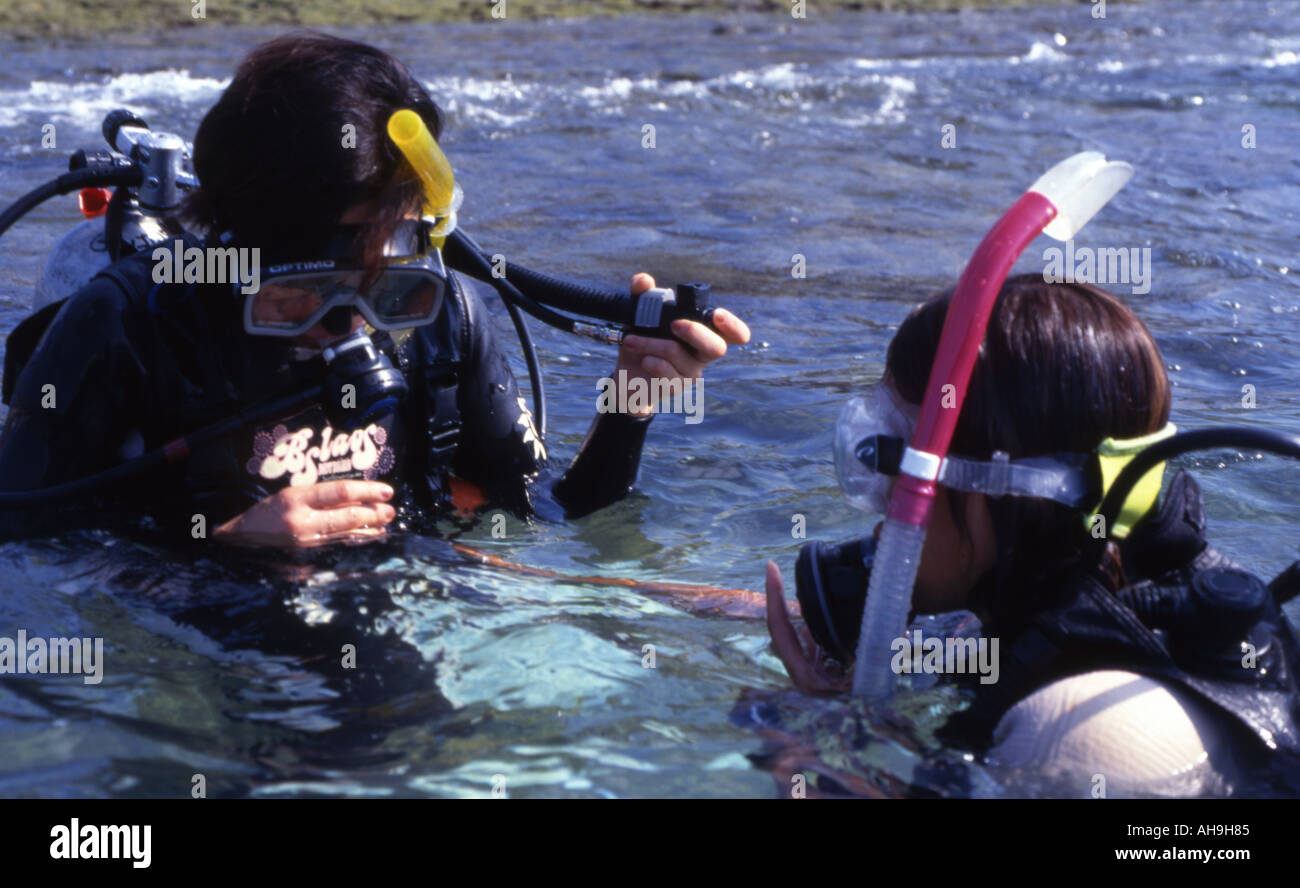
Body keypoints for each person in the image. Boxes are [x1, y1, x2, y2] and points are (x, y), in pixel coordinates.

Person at [0, 33, 749, 547]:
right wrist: (215, 543)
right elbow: (24, 539)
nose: (349, 331)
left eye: (385, 295)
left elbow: (545, 512)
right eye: (304, 299)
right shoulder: (137, 322)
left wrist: (630, 407)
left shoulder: (442, 316)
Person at [765, 274, 1300, 796]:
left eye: (895, 454)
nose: (883, 497)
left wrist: (818, 746)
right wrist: (685, 599)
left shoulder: (1077, 734)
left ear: (1002, 487)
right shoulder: (1086, 586)